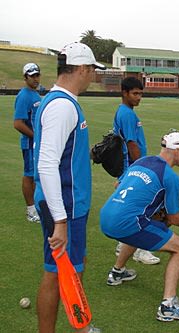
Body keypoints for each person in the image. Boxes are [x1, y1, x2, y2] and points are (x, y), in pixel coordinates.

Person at [100, 131, 179, 322]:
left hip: (106, 217)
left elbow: (117, 185)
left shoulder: (142, 161)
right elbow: (175, 218)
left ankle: (117, 273)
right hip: (127, 223)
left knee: (143, 228)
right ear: (177, 150)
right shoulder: (170, 177)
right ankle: (168, 306)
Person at [33, 42, 105, 333]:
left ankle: (81, 325)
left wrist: (89, 154)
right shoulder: (62, 105)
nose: (92, 77)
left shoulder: (59, 101)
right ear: (82, 69)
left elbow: (61, 154)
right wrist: (60, 221)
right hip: (64, 204)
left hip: (67, 202)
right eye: (91, 71)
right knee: (55, 273)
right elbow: (47, 165)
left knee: (75, 265)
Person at [113, 77, 161, 265]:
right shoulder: (127, 114)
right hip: (133, 167)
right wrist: (142, 166)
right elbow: (131, 143)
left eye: (141, 93)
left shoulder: (125, 112)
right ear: (124, 93)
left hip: (130, 167)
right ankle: (141, 250)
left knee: (131, 208)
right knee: (145, 208)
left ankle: (122, 245)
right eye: (135, 93)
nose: (139, 97)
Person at [13, 63, 42, 223]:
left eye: (37, 75)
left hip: (36, 144)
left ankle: (37, 207)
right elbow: (18, 123)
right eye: (32, 76)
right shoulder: (24, 95)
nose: (36, 79)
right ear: (25, 78)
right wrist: (35, 137)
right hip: (30, 144)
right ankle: (31, 210)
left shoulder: (35, 94)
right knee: (29, 175)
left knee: (36, 175)